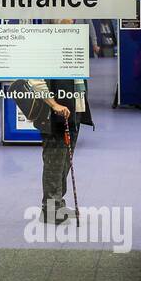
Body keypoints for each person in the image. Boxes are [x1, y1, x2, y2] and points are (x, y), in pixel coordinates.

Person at [24, 75, 94, 224]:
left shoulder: (72, 55)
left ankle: (57, 204)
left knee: (64, 163)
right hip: (54, 114)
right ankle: (50, 209)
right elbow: (35, 80)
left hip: (74, 111)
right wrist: (54, 104)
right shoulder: (49, 55)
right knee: (54, 164)